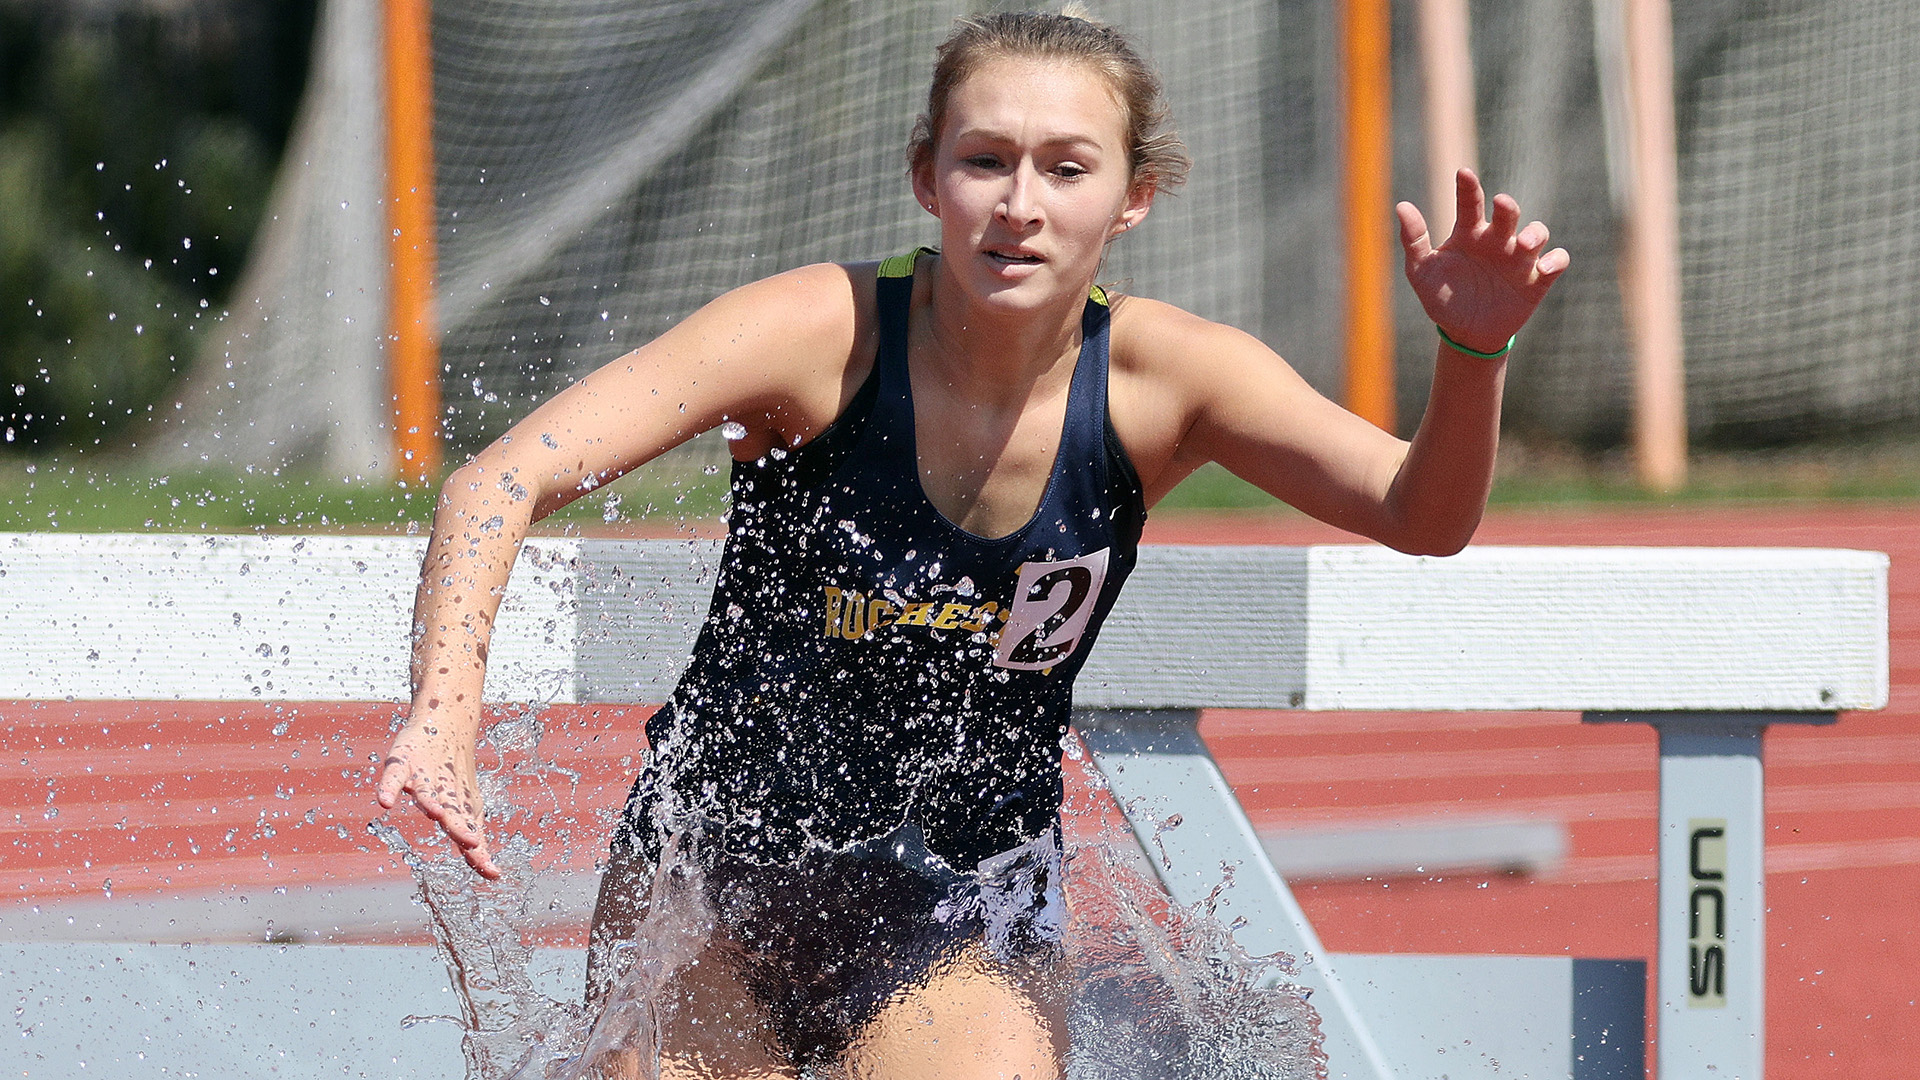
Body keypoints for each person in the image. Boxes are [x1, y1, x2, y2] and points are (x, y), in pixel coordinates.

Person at [376, 9, 1568, 1078]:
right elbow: (498, 481)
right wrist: (443, 718)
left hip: (958, 895)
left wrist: (1472, 360)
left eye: (1067, 167)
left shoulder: (1167, 382)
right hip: (714, 876)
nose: (1021, 204)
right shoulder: (817, 336)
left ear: (1133, 195)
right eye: (985, 161)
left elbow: (1423, 517)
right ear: (926, 177)